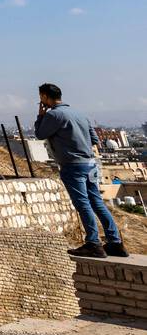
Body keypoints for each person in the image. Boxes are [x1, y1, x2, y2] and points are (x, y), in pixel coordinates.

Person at [33, 83, 128, 258]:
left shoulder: (54, 115)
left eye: (41, 97)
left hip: (72, 165)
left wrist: (40, 117)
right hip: (90, 163)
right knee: (97, 202)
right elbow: (94, 139)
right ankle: (115, 242)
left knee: (83, 204)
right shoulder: (80, 114)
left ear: (45, 97)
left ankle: (93, 243)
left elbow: (40, 134)